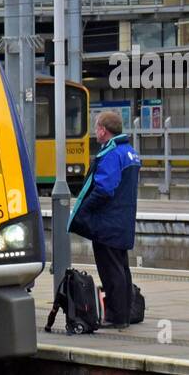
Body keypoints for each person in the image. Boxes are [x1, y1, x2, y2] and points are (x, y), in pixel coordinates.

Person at [69, 110, 142, 329]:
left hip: (107, 223)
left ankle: (116, 317)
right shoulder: (129, 152)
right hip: (122, 221)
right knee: (122, 269)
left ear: (103, 130)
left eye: (97, 127)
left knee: (111, 272)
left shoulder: (111, 154)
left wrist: (84, 211)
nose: (95, 131)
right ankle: (125, 314)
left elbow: (104, 189)